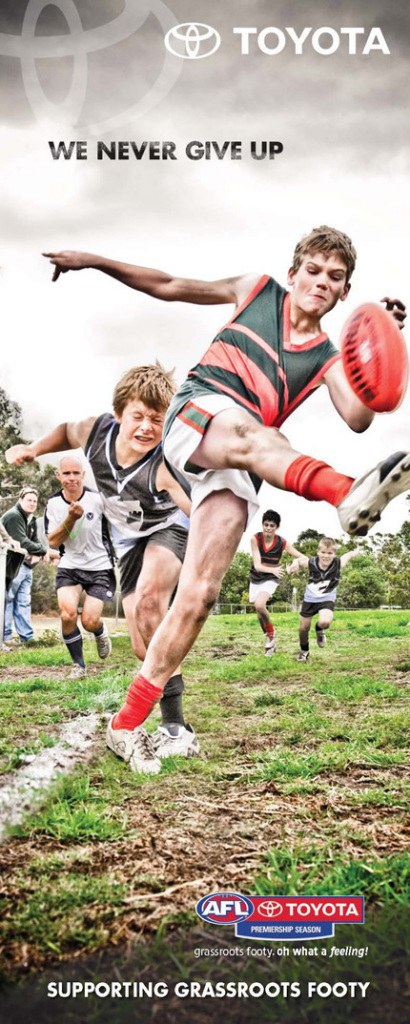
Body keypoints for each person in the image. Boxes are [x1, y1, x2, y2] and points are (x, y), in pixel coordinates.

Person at [31, 228, 409, 768]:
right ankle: (344, 493)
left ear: (346, 293)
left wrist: (380, 348)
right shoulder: (255, 290)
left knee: (201, 594)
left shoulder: (327, 356)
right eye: (314, 270)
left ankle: (127, 723)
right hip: (201, 414)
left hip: (240, 461)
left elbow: (359, 417)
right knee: (257, 436)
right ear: (294, 271)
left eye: (335, 277)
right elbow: (168, 284)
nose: (321, 283)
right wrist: (92, 260)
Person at [7, 365, 198, 772]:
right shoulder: (96, 434)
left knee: (149, 605)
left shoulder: (166, 466)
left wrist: (213, 546)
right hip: (128, 543)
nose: (147, 427)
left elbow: (197, 513)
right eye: (138, 416)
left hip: (168, 529)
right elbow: (63, 431)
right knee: (143, 642)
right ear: (119, 414)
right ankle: (171, 699)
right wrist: (34, 449)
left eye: (157, 420)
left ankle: (175, 729)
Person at [45, 455, 116, 678]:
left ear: (83, 474)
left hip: (99, 566)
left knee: (89, 620)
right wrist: (71, 518)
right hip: (70, 565)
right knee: (67, 615)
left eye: (76, 473)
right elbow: (53, 541)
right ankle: (79, 666)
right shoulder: (54, 503)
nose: (72, 478)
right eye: (66, 473)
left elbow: (122, 524)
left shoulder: (98, 499)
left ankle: (100, 631)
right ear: (59, 476)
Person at [287, 538, 360, 661]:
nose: (326, 556)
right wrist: (294, 563)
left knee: (325, 622)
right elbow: (299, 561)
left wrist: (354, 552)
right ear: (318, 552)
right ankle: (304, 650)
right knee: (303, 629)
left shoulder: (338, 563)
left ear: (334, 554)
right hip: (310, 599)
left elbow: (347, 555)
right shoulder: (312, 562)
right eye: (323, 552)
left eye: (330, 553)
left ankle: (319, 630)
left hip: (327, 597)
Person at [1, 487, 52, 646]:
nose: (32, 503)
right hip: (11, 567)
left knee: (23, 601)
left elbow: (34, 541)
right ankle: (6, 636)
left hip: (26, 566)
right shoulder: (14, 516)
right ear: (20, 499)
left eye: (34, 501)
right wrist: (45, 551)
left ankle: (26, 638)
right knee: (7, 600)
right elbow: (22, 542)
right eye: (29, 500)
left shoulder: (30, 519)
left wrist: (40, 551)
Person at [249, 509, 303, 654]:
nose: (268, 528)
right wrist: (272, 569)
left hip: (272, 577)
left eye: (272, 525)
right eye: (266, 525)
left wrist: (296, 563)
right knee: (259, 613)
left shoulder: (282, 542)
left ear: (276, 527)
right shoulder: (255, 539)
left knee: (260, 605)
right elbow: (257, 566)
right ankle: (270, 642)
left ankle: (271, 635)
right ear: (262, 525)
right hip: (257, 576)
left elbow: (302, 557)